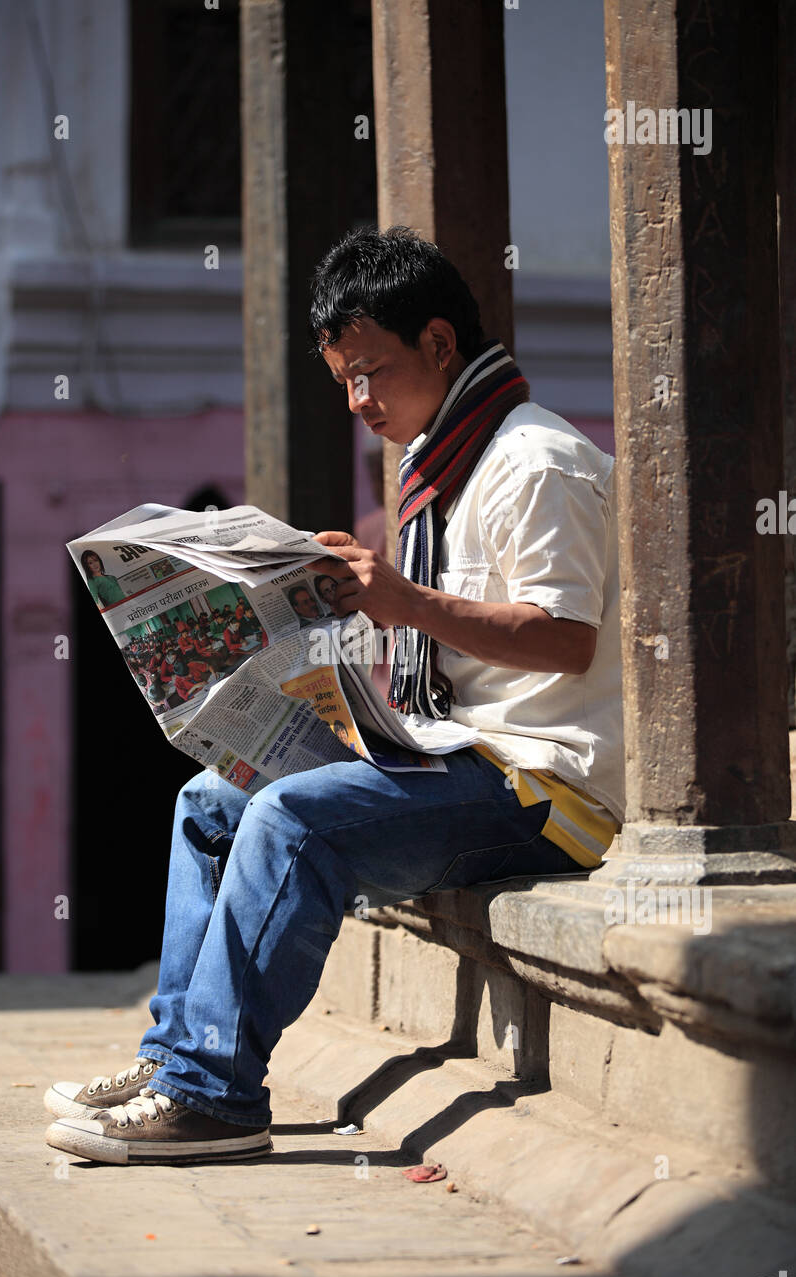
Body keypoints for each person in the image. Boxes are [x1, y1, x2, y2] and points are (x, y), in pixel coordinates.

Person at [45, 225, 623, 1165]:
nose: (359, 401)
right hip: (449, 752)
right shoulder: (436, 458)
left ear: (440, 345)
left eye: (372, 372)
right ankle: (172, 1062)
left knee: (288, 820)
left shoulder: (535, 463)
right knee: (209, 800)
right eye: (344, 381)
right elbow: (447, 632)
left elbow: (566, 640)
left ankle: (217, 1098)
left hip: (542, 789)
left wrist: (403, 599)